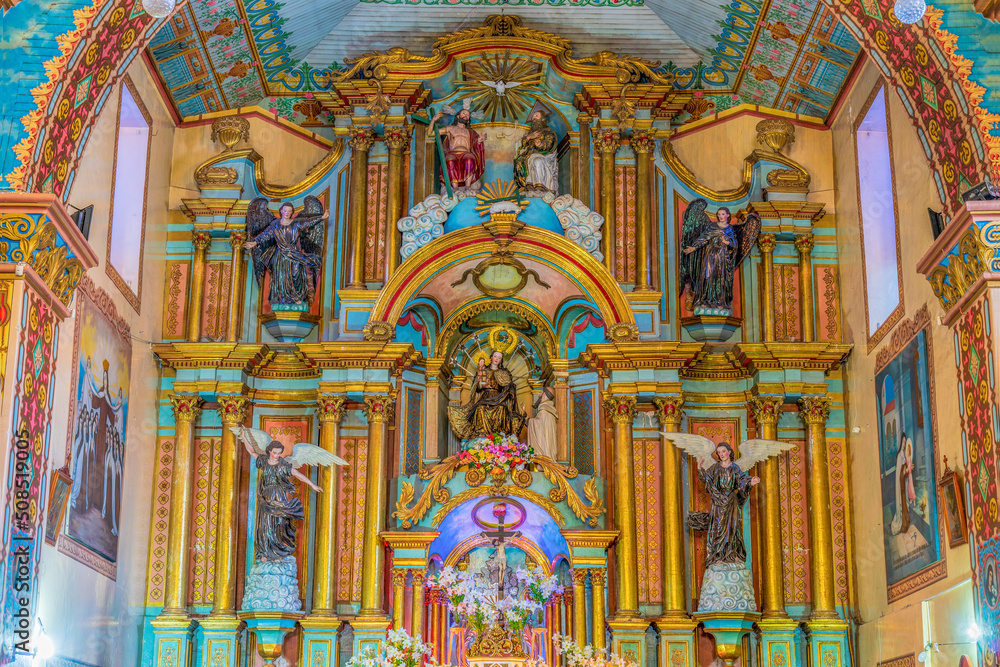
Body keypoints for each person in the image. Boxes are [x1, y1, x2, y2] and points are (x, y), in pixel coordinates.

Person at [242, 435, 321, 561]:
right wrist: (243, 437)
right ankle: (264, 552)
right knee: (265, 524)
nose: (277, 455)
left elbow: (298, 474)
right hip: (266, 497)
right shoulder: (263, 461)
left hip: (278, 497)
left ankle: (278, 552)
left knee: (278, 524)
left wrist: (312, 485)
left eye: (279, 453)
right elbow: (251, 451)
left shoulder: (283, 465)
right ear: (269, 451)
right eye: (274, 453)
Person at [688, 441, 760, 566]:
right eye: (719, 452)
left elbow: (742, 480)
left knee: (733, 527)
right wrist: (699, 468)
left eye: (723, 451)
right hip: (718, 502)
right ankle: (718, 555)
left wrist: (751, 482)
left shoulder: (735, 468)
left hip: (732, 502)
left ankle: (734, 554)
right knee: (719, 528)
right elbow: (706, 479)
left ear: (729, 452)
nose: (721, 454)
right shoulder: (715, 468)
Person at [245, 200, 328, 306]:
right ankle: (282, 298)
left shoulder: (296, 223)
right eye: (285, 211)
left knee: (296, 273)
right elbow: (265, 234)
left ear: (292, 212)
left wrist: (321, 217)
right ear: (281, 211)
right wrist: (255, 242)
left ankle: (296, 297)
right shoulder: (275, 224)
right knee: (281, 276)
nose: (287, 213)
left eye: (289, 211)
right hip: (281, 255)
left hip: (294, 254)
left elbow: (308, 222)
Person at [449, 350, 527, 440]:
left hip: (499, 398)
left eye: (499, 358)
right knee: (480, 408)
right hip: (485, 397)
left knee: (502, 408)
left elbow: (508, 388)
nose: (496, 359)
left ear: (501, 360)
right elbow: (477, 388)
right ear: (491, 357)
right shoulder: (484, 371)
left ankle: (499, 434)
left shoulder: (504, 373)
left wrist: (510, 386)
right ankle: (481, 432)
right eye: (495, 356)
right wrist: (482, 384)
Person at [430, 103, 486, 190]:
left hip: (466, 152)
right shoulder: (450, 128)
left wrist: (479, 140)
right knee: (449, 161)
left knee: (470, 159)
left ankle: (467, 186)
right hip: (453, 153)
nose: (466, 115)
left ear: (468, 120)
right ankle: (455, 188)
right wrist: (433, 120)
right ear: (458, 116)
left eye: (467, 115)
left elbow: (475, 143)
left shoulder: (471, 132)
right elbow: (431, 133)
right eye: (464, 113)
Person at [513, 108, 557, 193]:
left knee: (537, 161)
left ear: (543, 119)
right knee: (518, 163)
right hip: (529, 156)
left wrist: (540, 144)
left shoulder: (548, 132)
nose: (534, 118)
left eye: (536, 116)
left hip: (543, 155)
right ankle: (524, 188)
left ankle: (539, 186)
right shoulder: (530, 133)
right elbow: (521, 146)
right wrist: (529, 137)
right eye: (533, 117)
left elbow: (549, 146)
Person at [527, 386, 557, 458]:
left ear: (544, 395)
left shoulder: (544, 409)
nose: (539, 395)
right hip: (549, 447)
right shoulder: (549, 409)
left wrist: (529, 420)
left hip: (544, 449)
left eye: (541, 393)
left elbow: (539, 428)